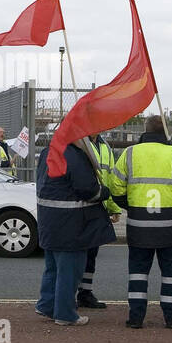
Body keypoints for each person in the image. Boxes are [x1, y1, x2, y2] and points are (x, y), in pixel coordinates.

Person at [109, 115, 172, 329]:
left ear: (145, 130)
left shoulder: (130, 153)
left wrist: (130, 205)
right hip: (170, 227)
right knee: (171, 274)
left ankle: (135, 317)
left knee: (138, 273)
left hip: (139, 226)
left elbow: (114, 187)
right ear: (165, 133)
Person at [35, 129, 115, 326]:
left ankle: (46, 305)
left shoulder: (48, 151)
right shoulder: (74, 155)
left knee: (52, 268)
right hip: (72, 223)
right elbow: (87, 189)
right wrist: (104, 192)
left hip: (49, 219)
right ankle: (65, 314)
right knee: (70, 270)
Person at [77, 132, 121, 309]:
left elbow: (109, 179)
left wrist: (113, 207)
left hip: (98, 206)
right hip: (80, 207)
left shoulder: (105, 146)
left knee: (91, 253)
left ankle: (85, 293)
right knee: (77, 254)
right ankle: (69, 293)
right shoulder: (79, 144)